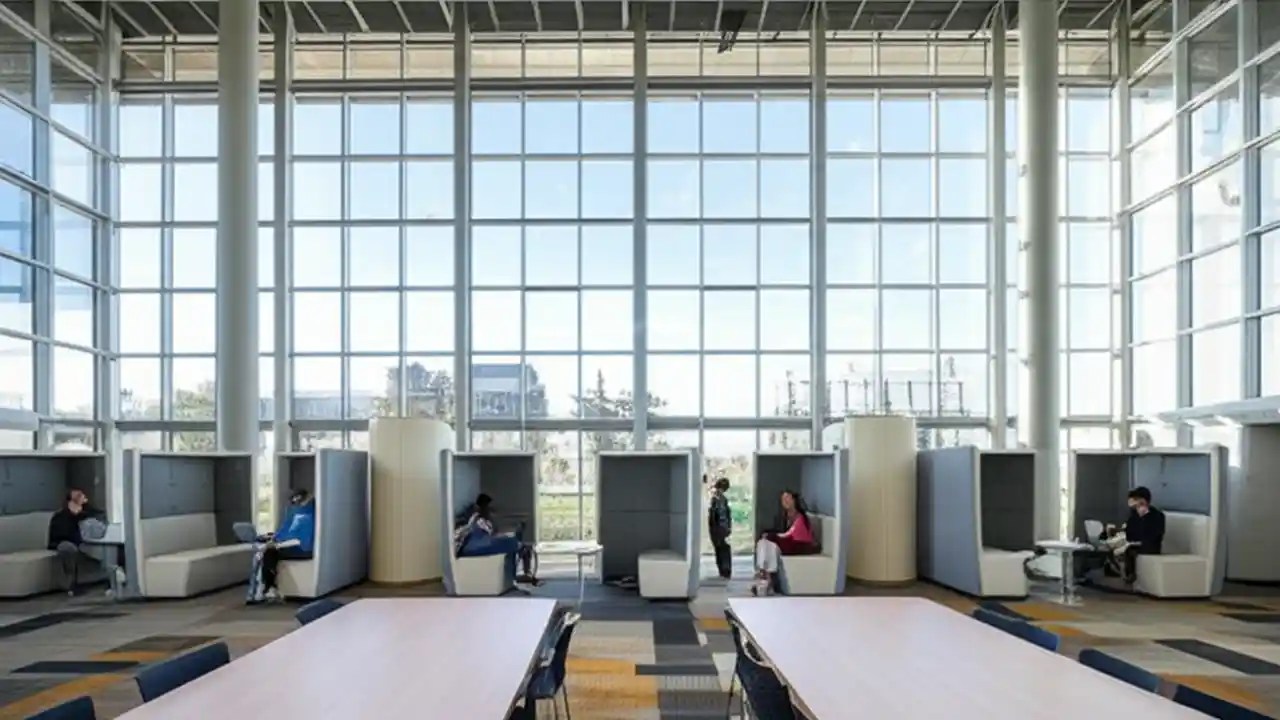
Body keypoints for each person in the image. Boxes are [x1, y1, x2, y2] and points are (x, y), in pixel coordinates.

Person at [454, 493, 539, 588]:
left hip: (481, 541)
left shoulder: (484, 519)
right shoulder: (476, 519)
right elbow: (484, 533)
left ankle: (520, 574)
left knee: (516, 544)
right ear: (481, 507)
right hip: (474, 543)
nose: (489, 510)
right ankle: (520, 573)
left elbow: (492, 533)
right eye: (487, 508)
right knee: (515, 543)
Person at [248, 489, 316, 604]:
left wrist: (276, 541)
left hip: (300, 547)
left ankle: (264, 589)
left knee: (266, 552)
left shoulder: (303, 514)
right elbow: (286, 531)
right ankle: (266, 588)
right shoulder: (302, 512)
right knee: (265, 552)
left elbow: (294, 535)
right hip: (295, 545)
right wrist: (274, 539)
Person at [753, 490, 817, 596]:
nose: (785, 501)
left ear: (794, 500)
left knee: (770, 544)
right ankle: (765, 576)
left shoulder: (800, 517)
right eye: (783, 499)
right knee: (764, 543)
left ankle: (766, 580)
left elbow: (789, 535)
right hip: (785, 544)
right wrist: (769, 535)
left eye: (788, 498)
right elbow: (780, 533)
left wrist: (771, 536)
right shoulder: (783, 516)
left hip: (798, 545)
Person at [47, 489, 108, 596]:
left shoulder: (87, 512)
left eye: (81, 495)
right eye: (78, 496)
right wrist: (74, 516)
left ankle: (110, 579)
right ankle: (72, 585)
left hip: (86, 543)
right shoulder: (60, 516)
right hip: (64, 542)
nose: (82, 497)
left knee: (106, 549)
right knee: (68, 548)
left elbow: (98, 516)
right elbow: (61, 534)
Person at [1116, 486, 1165, 584]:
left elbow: (1157, 534)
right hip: (1136, 543)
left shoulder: (1157, 515)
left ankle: (1131, 575)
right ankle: (1124, 573)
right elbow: (1130, 532)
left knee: (1130, 551)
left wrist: (1144, 518)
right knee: (1120, 549)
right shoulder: (1134, 515)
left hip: (1151, 546)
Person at [707, 477, 733, 580]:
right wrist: (727, 528)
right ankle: (725, 570)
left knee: (719, 550)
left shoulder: (716, 499)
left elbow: (714, 517)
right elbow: (723, 516)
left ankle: (723, 570)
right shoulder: (720, 499)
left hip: (717, 529)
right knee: (723, 549)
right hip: (721, 529)